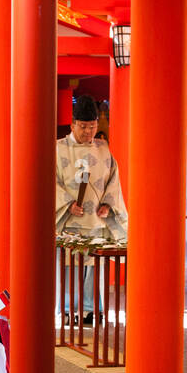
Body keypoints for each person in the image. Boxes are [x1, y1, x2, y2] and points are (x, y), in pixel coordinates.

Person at [55, 94, 128, 321]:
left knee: (94, 265)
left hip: (95, 219)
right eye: (84, 127)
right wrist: (67, 205)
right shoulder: (57, 149)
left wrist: (107, 204)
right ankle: (68, 309)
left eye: (93, 127)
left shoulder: (103, 148)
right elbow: (50, 181)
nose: (88, 132)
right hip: (68, 221)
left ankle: (91, 309)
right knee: (70, 264)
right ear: (73, 125)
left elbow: (113, 181)